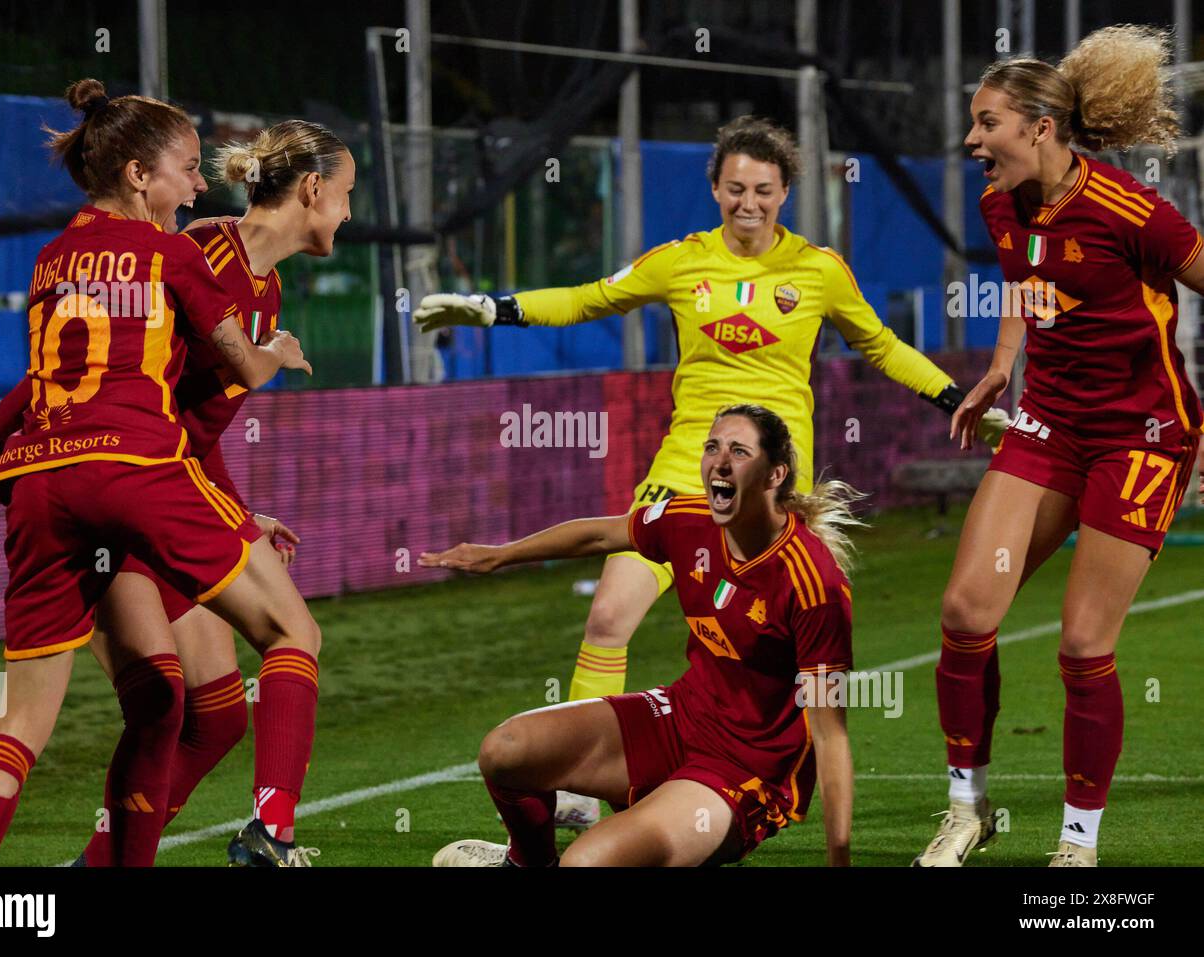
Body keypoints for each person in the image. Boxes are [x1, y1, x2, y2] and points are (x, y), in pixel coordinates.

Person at [413, 116, 1003, 827]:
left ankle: (758, 780)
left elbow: (879, 345)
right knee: (607, 614)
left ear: (785, 191)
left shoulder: (818, 271)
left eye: (762, 189)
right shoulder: (680, 260)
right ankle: (574, 788)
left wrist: (955, 396)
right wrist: (490, 308)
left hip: (772, 487)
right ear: (714, 188)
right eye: (733, 188)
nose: (747, 202)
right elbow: (588, 297)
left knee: (764, 649)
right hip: (687, 469)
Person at [0, 118, 354, 867]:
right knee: (281, 639)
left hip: (65, 483)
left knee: (182, 715)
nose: (197, 186)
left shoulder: (68, 259)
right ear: (314, 189)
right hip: (137, 483)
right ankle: (272, 833)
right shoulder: (187, 251)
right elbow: (174, 380)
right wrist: (272, 356)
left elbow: (85, 372)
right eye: (347, 194)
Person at [915, 25, 1203, 868]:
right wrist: (1003, 363)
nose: (972, 140)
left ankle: (1078, 844)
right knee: (967, 612)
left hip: (1141, 438)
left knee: (1084, 644)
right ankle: (967, 808)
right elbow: (1023, 279)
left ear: (1040, 127)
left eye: (986, 122)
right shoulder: (999, 202)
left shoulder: (1132, 210)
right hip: (1049, 424)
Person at [420, 405, 857, 866]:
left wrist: (840, 858)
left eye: (739, 451)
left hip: (747, 771)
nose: (720, 462)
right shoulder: (690, 520)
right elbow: (598, 537)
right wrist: (500, 555)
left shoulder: (813, 584)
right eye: (712, 447)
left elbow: (830, 736)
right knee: (504, 752)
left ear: (775, 475)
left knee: (587, 863)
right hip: (680, 718)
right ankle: (526, 863)